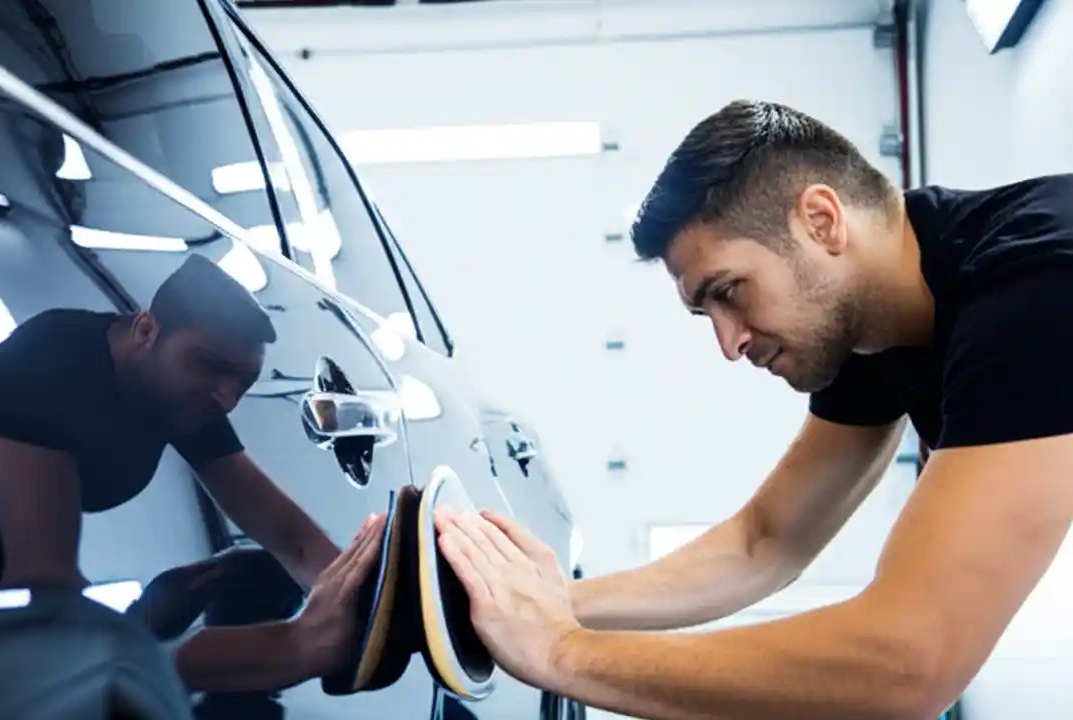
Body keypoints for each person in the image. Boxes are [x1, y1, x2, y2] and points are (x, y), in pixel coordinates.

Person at [434, 99, 1073, 719]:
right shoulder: (883, 316)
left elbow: (907, 660)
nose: (730, 343)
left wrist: (561, 653)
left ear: (822, 221)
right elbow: (762, 544)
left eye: (731, 292)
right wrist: (553, 604)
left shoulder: (1036, 292)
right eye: (705, 313)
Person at [0, 253, 379, 711]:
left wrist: (368, 599)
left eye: (242, 381)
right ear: (146, 330)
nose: (227, 396)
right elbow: (50, 599)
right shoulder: (53, 364)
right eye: (211, 366)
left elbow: (290, 537)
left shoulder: (181, 396)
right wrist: (291, 646)